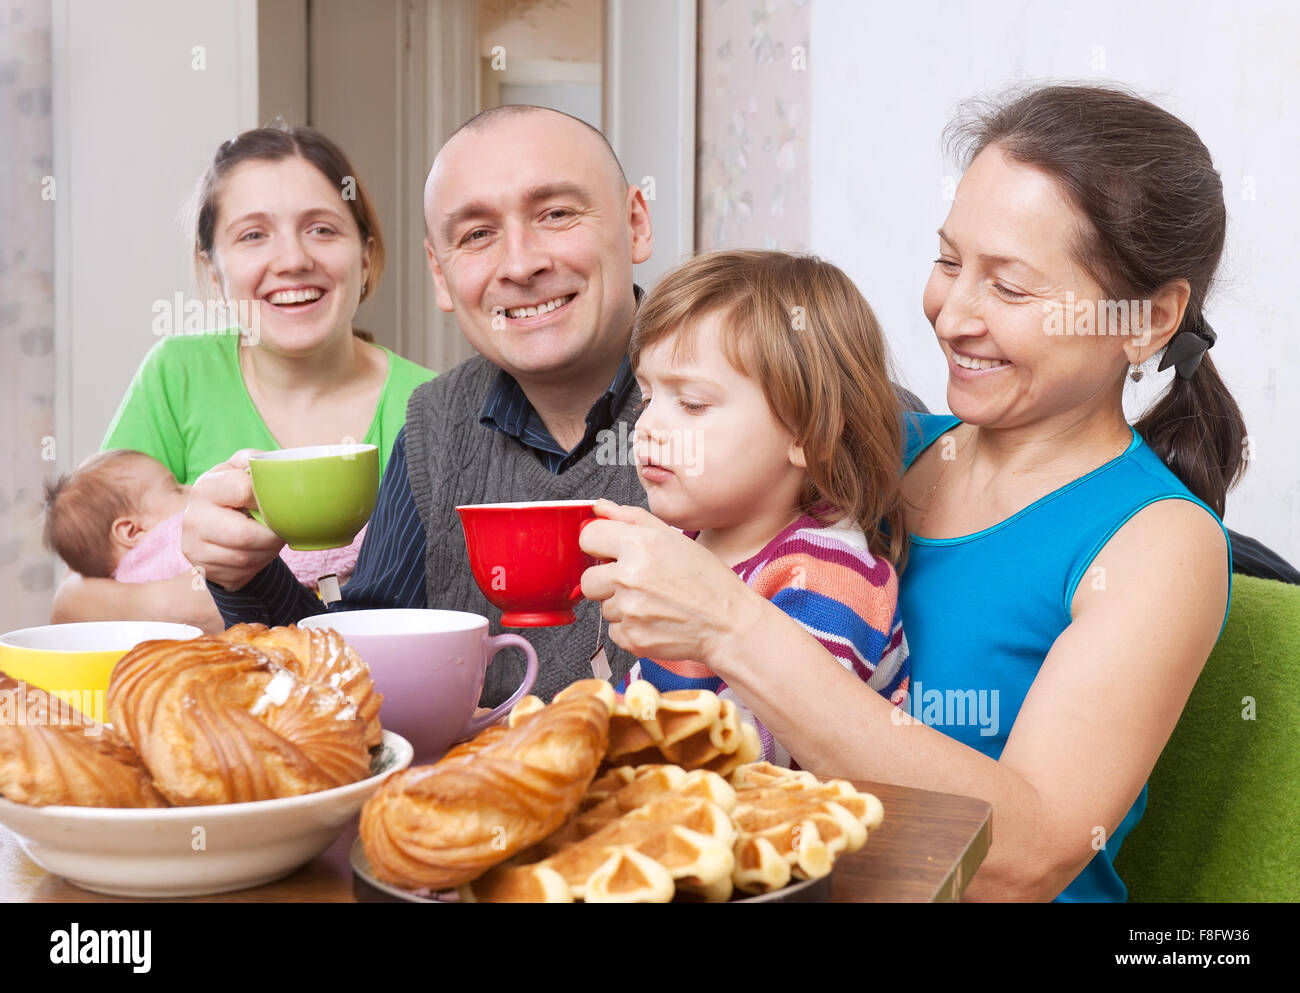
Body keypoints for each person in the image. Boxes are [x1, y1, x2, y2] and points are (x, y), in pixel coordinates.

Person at [577, 83, 1242, 902]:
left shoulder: (1159, 542)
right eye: (949, 261)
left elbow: (1024, 858)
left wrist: (728, 624)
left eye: (1010, 287)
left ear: (1147, 320)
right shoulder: (871, 452)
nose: (952, 314)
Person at [186, 105, 930, 707]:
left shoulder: (776, 406)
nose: (521, 263)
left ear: (637, 223)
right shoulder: (434, 426)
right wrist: (245, 577)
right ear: (442, 277)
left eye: (556, 214)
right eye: (477, 235)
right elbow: (356, 675)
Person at [49, 124, 435, 631]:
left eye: (321, 228)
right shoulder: (177, 376)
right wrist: (216, 599)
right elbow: (74, 603)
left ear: (365, 255)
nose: (294, 260)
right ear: (214, 272)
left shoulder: (432, 405)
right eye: (253, 235)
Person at [618, 250, 911, 767]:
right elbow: (644, 699)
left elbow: (761, 753)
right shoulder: (687, 546)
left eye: (691, 404)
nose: (647, 428)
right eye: (646, 398)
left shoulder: (829, 574)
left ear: (808, 434)